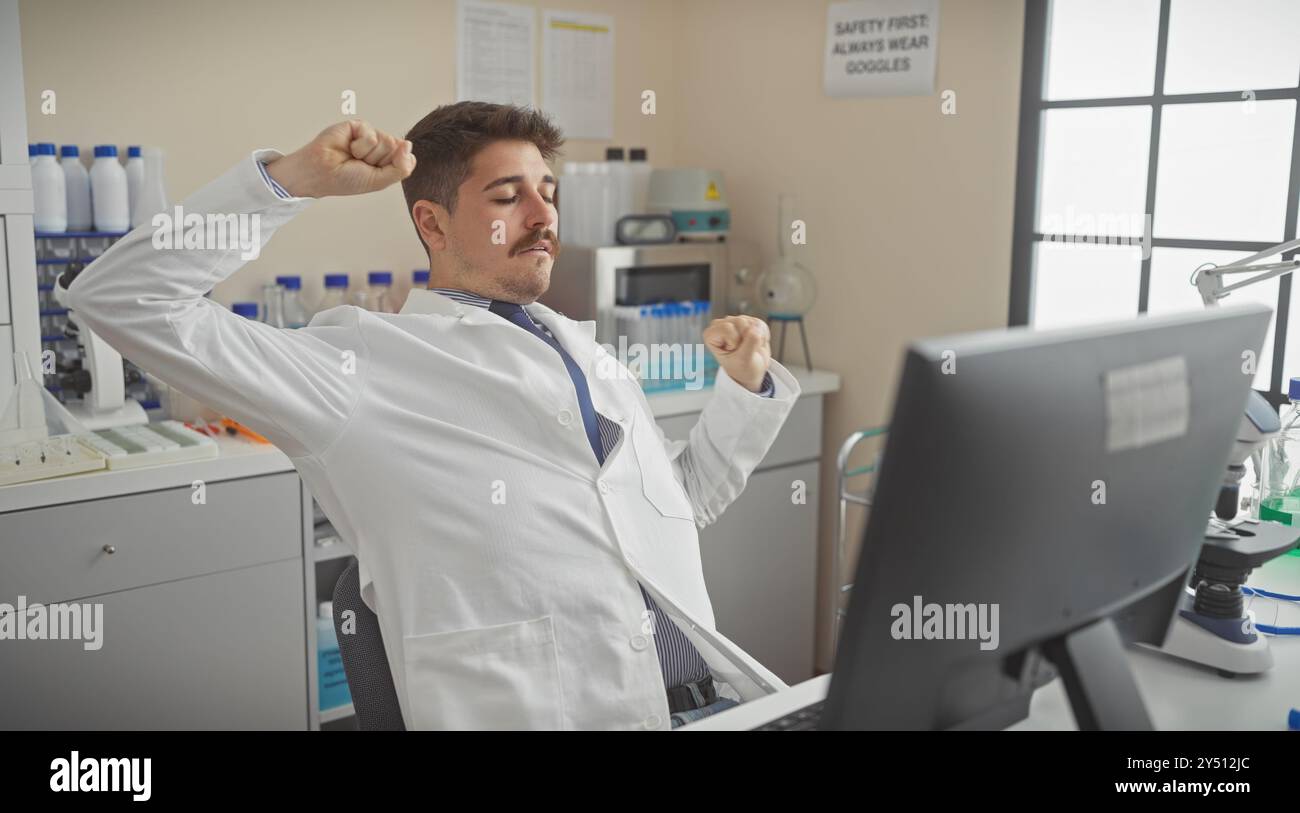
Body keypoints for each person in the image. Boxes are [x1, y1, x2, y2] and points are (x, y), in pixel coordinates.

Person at [65, 102, 803, 730]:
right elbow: (122, 298)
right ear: (434, 222)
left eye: (548, 190)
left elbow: (675, 509)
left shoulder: (587, 352)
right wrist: (292, 182)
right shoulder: (358, 369)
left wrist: (741, 392)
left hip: (712, 705)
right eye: (509, 196)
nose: (545, 215)